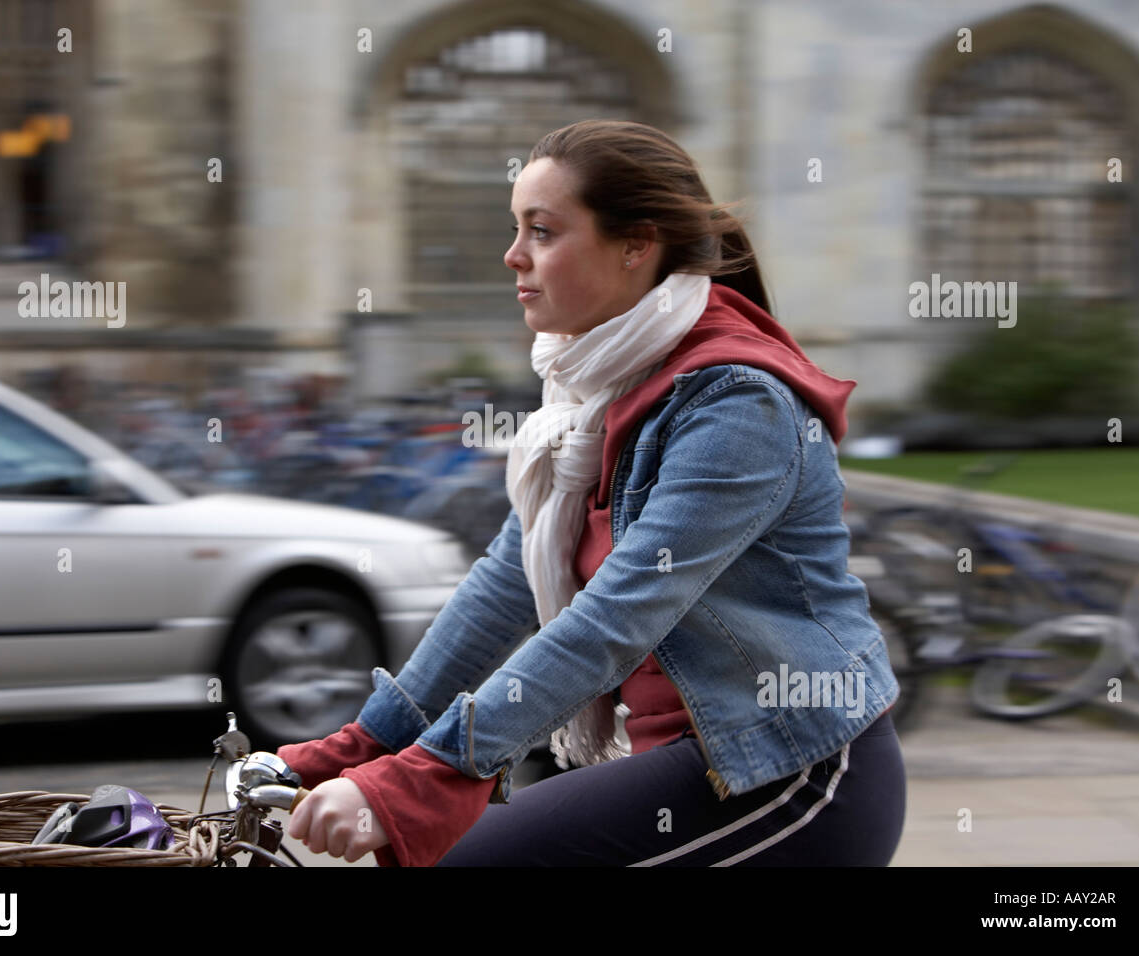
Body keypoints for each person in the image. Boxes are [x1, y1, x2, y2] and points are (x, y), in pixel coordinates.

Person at [282, 119, 906, 866]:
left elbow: (617, 615)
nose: (513, 256)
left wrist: (431, 773)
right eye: (517, 229)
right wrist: (364, 742)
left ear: (637, 245)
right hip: (689, 761)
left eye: (542, 231)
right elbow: (505, 584)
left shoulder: (737, 403)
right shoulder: (591, 394)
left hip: (789, 774)